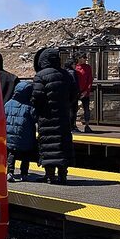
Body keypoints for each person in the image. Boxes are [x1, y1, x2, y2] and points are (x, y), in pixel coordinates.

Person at [32, 48, 78, 185]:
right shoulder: (66, 75)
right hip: (63, 116)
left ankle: (50, 176)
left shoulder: (40, 76)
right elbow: (74, 94)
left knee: (48, 144)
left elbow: (37, 97)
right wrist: (65, 106)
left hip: (46, 117)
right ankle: (63, 175)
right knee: (62, 145)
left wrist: (39, 109)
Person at [4, 81, 37, 182]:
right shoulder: (29, 106)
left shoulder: (8, 104)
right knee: (26, 155)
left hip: (10, 135)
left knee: (11, 154)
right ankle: (24, 173)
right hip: (25, 136)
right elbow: (34, 118)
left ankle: (10, 172)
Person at [74, 53, 94, 133]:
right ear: (79, 58)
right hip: (76, 91)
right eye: (84, 57)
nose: (86, 59)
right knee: (73, 109)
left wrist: (86, 91)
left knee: (86, 109)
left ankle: (87, 125)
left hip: (85, 92)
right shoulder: (75, 67)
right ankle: (73, 125)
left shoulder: (88, 67)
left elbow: (90, 80)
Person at [63, 59, 80, 131]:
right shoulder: (73, 72)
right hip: (73, 94)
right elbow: (75, 84)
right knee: (73, 111)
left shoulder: (64, 72)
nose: (75, 66)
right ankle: (72, 126)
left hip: (66, 94)